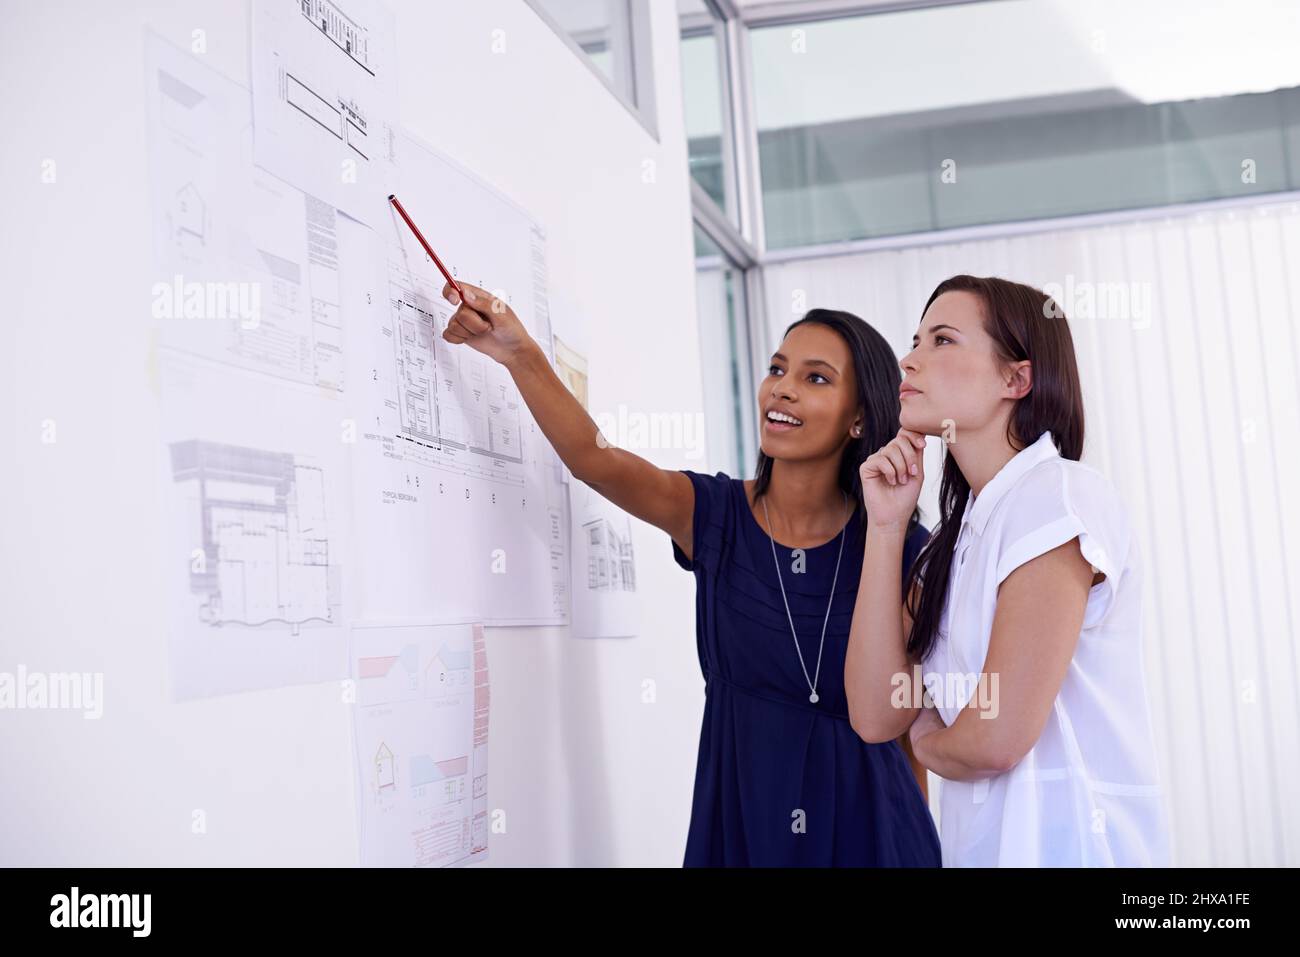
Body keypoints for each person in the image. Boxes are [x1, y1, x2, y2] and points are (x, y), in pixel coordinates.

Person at [438, 280, 941, 866]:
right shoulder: (714, 515)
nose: (782, 389)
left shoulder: (901, 547)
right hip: (741, 821)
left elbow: (906, 727)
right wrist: (519, 351)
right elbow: (594, 459)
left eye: (816, 378)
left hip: (871, 828)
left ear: (859, 419)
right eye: (778, 369)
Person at [846, 274, 1171, 866]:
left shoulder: (1058, 497)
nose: (909, 359)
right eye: (914, 340)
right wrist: (886, 527)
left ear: (1015, 378)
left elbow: (994, 740)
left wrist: (927, 739)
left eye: (941, 340)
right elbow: (873, 713)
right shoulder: (949, 546)